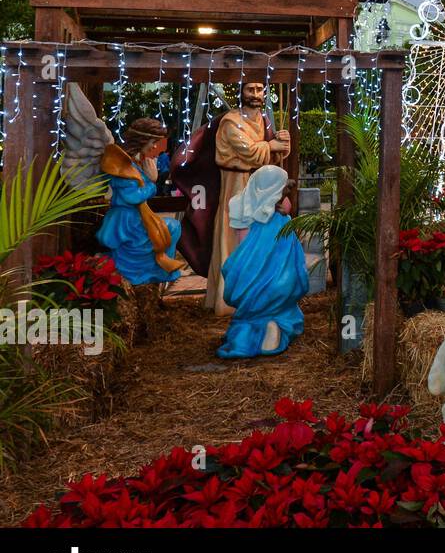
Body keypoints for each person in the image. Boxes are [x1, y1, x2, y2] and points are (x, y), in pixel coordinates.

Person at [206, 82, 290, 317]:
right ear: (241, 92)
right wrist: (270, 145)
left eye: (259, 89)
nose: (255, 94)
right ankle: (231, 296)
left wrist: (283, 144)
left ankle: (257, 293)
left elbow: (270, 159)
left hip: (259, 189)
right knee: (235, 236)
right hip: (237, 186)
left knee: (257, 237)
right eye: (250, 89)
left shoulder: (264, 121)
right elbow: (250, 152)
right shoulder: (231, 121)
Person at [218, 165, 309, 359]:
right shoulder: (276, 219)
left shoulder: (244, 208)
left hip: (253, 278)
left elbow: (242, 246)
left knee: (252, 310)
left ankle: (257, 330)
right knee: (276, 302)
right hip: (279, 282)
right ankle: (271, 326)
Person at [97, 118, 187, 286]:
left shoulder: (135, 163)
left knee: (173, 227)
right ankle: (148, 270)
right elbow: (132, 197)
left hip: (136, 216)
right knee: (170, 228)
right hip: (127, 220)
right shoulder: (121, 164)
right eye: (154, 143)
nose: (155, 148)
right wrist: (152, 183)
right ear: (143, 141)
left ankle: (159, 269)